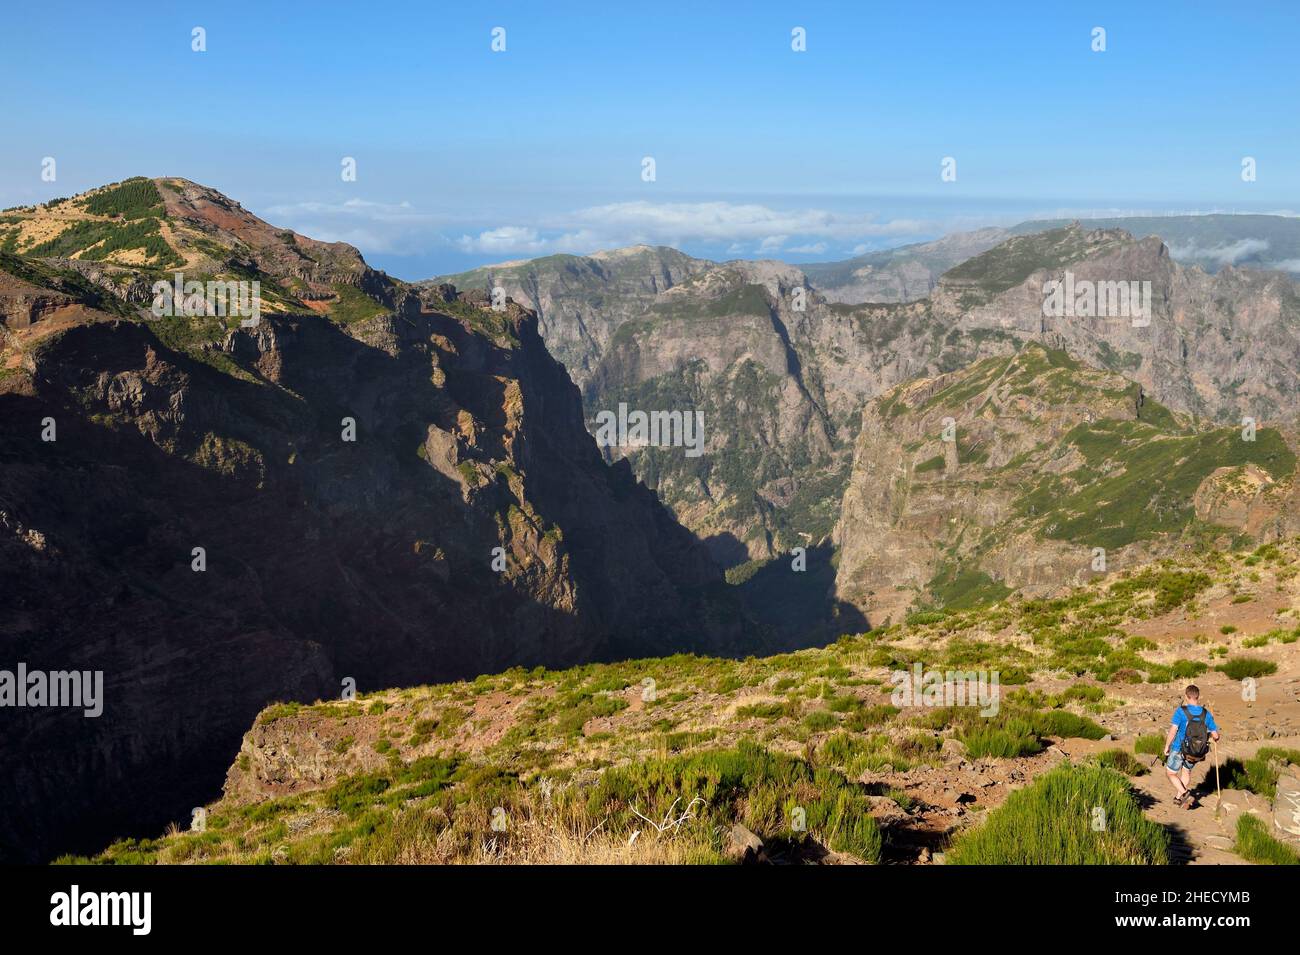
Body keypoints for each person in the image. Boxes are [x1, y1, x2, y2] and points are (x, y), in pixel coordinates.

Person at [1163, 684, 1219, 809]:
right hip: (1196, 751)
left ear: (1186, 696)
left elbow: (1173, 730)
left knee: (1170, 773)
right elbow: (1216, 735)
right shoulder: (1206, 714)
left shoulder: (1181, 711)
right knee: (1186, 771)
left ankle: (1184, 793)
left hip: (1179, 748)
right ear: (1198, 697)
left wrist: (1167, 746)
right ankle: (1178, 798)